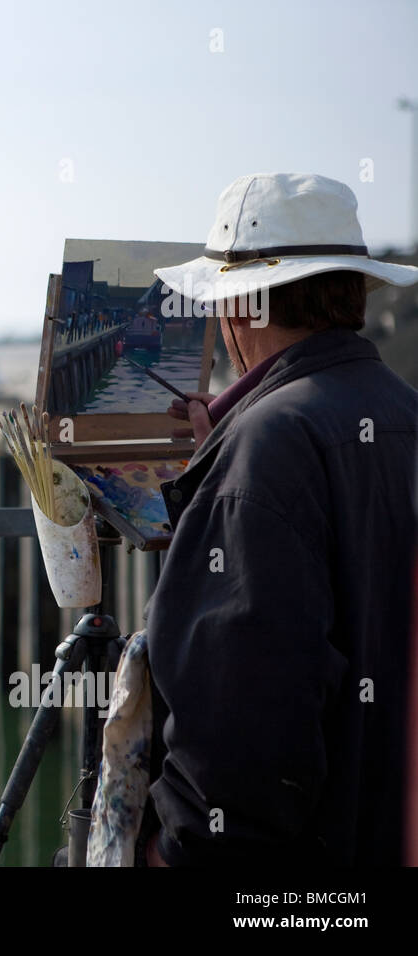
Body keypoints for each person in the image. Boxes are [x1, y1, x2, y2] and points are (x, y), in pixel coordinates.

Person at [140, 172, 418, 866]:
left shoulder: (267, 447)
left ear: (239, 311)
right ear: (352, 292)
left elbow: (237, 749)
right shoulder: (404, 412)